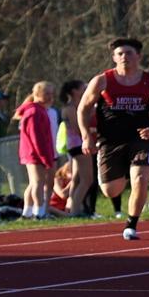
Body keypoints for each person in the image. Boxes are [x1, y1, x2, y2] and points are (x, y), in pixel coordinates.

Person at [77, 37, 149, 241]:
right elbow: (83, 109)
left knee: (140, 178)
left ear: (138, 56)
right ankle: (129, 170)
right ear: (113, 57)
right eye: (120, 54)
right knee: (111, 190)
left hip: (141, 137)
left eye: (129, 53)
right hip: (110, 140)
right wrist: (86, 137)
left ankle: (131, 225)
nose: (124, 57)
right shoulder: (102, 80)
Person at [12, 82, 60, 219]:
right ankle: (39, 212)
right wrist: (45, 158)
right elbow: (36, 138)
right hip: (34, 154)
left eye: (52, 94)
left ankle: (27, 212)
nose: (50, 97)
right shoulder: (34, 112)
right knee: (39, 182)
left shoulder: (40, 110)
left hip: (36, 153)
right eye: (47, 94)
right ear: (37, 94)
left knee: (34, 183)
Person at [52, 79, 92, 216]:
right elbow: (78, 128)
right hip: (77, 145)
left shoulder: (78, 105)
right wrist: (92, 133)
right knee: (87, 179)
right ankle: (75, 209)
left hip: (77, 144)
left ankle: (71, 207)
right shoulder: (69, 108)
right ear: (74, 91)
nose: (85, 89)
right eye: (83, 88)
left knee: (76, 178)